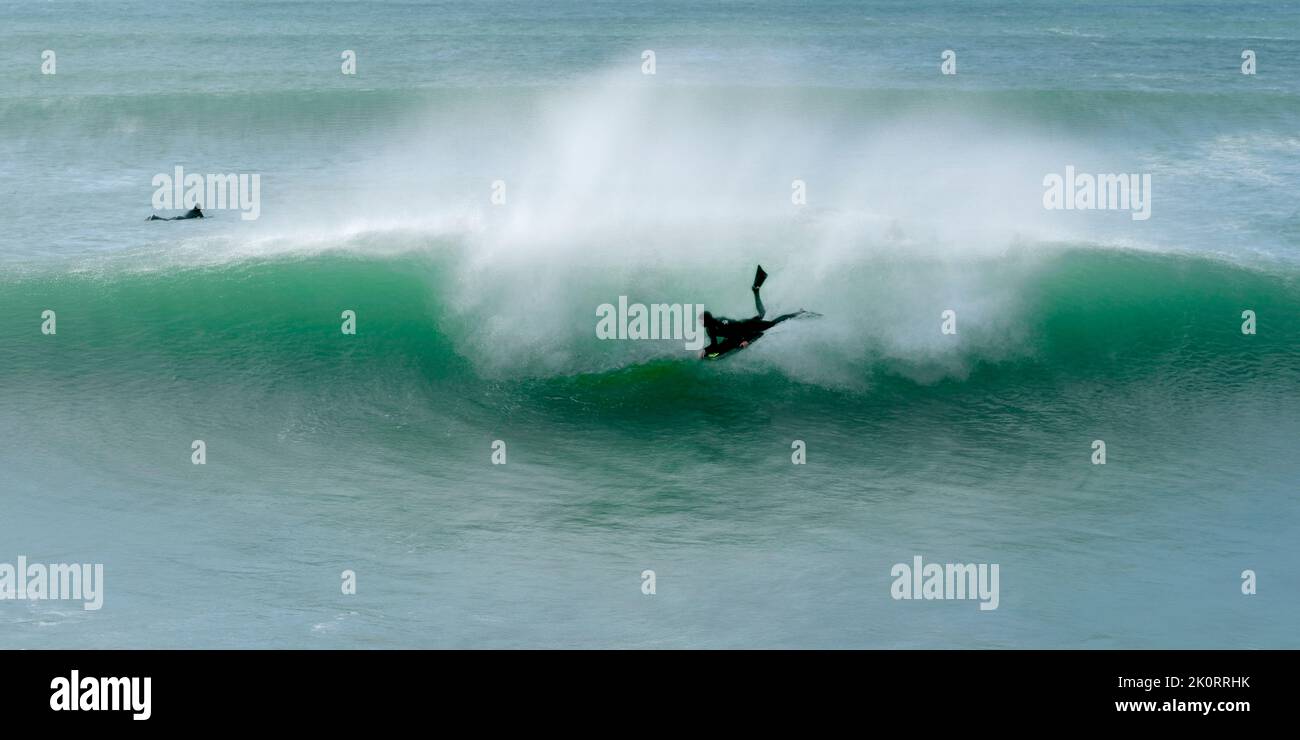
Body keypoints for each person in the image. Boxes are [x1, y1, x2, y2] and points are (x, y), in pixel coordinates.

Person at [699, 265, 811, 359]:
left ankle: (799, 313)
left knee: (772, 324)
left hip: (747, 325)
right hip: (743, 329)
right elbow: (714, 344)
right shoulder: (710, 329)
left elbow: (734, 330)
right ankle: (756, 290)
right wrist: (705, 350)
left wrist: (744, 340)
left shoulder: (721, 322)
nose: (700, 322)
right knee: (762, 315)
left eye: (701, 320)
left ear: (707, 320)